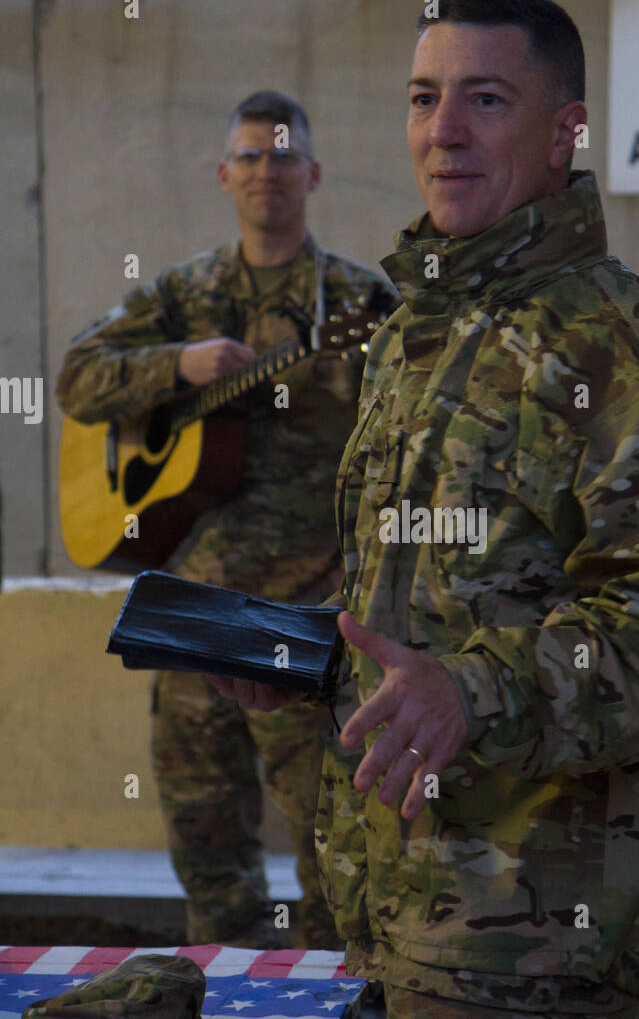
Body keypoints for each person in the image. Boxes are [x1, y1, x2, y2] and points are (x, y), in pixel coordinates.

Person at [210, 0, 639, 1019]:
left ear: (564, 130)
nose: (442, 131)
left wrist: (468, 693)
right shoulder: (419, 337)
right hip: (406, 907)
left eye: (485, 99)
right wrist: (312, 668)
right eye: (423, 98)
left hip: (529, 940)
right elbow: (433, 607)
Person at [56, 89, 396, 955]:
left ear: (313, 174)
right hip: (193, 610)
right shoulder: (185, 293)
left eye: (283, 155)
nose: (265, 171)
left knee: (330, 842)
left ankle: (332, 1015)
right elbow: (78, 378)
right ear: (223, 174)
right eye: (249, 155)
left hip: (307, 609)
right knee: (206, 841)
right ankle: (224, 999)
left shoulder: (360, 300)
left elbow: (415, 444)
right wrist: (177, 365)